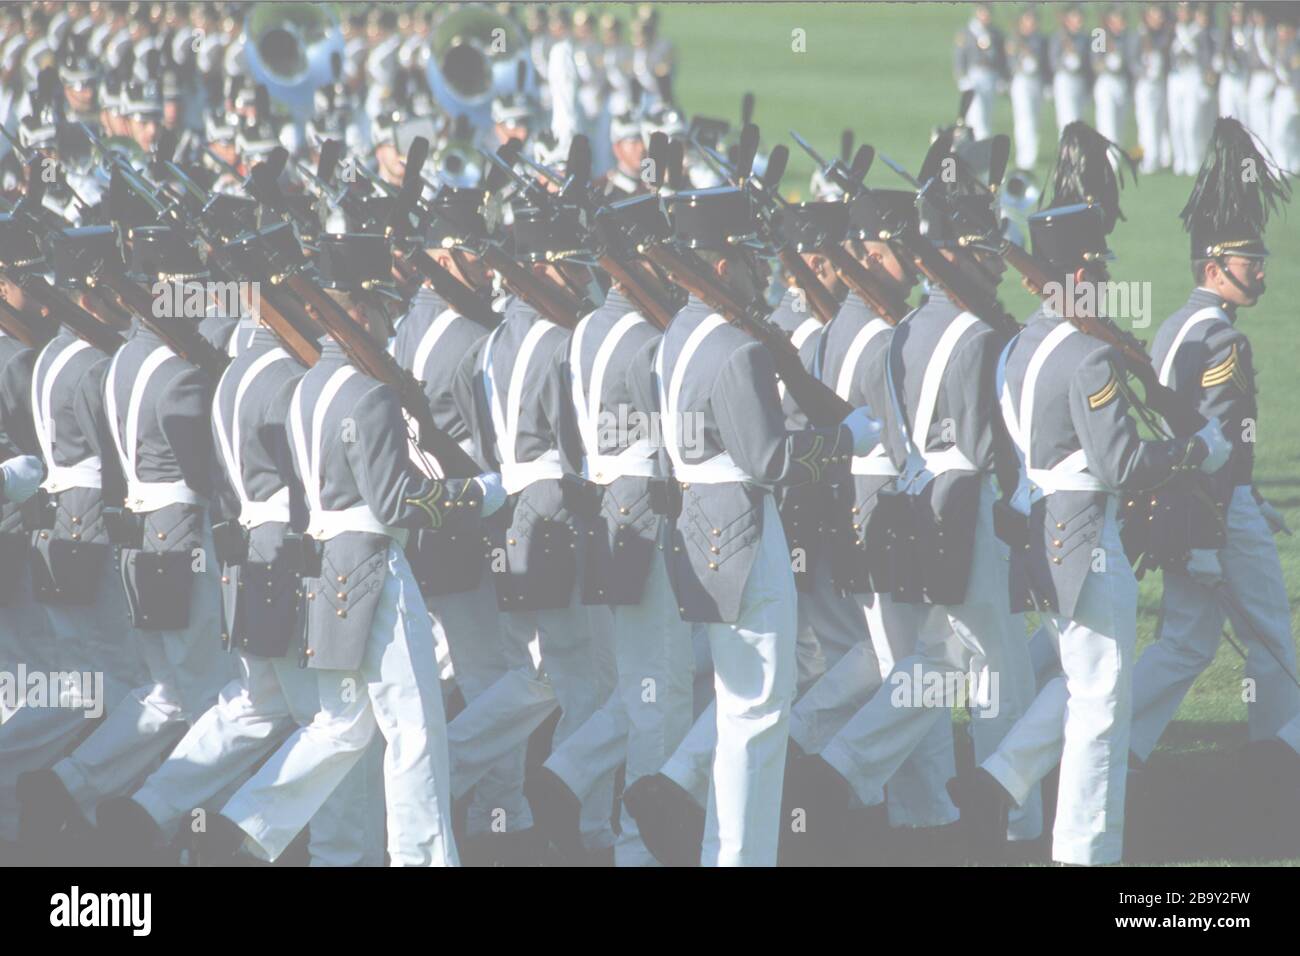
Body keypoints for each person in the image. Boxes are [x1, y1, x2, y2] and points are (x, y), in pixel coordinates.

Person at [959, 200, 1232, 866]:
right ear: (1079, 271)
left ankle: (1003, 777)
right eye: (1099, 267)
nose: (1105, 278)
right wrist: (1196, 452)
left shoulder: (1024, 342)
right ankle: (1085, 850)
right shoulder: (1086, 356)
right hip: (1082, 530)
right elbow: (1124, 466)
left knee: (1083, 679)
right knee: (1104, 698)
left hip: (1039, 523)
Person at [634, 182, 878, 865]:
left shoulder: (678, 334)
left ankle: (728, 851)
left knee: (743, 706)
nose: (760, 272)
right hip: (741, 529)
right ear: (720, 267)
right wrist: (847, 439)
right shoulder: (735, 349)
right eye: (747, 259)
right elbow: (769, 459)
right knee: (757, 717)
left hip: (700, 531)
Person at [1129, 118, 1299, 800]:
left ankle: (1119, 745)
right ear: (1213, 267)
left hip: (1194, 509)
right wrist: (1225, 519)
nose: (1258, 271)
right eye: (1246, 261)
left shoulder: (1176, 325)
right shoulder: (1226, 343)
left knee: (1185, 645)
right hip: (1215, 516)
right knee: (1273, 639)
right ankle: (1277, 757)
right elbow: (1219, 444)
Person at [952, 3, 1008, 142]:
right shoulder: (967, 32)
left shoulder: (995, 33)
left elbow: (1002, 57)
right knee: (977, 114)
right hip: (974, 75)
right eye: (982, 13)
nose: (985, 16)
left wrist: (1003, 78)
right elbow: (959, 57)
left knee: (988, 114)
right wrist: (962, 77)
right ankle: (981, 144)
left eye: (988, 13)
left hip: (990, 75)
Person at [1006, 4, 1050, 171]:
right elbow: (1009, 63)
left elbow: (1046, 63)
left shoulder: (1040, 40)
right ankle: (1025, 158)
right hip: (1021, 80)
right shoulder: (1014, 40)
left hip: (1036, 80)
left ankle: (1031, 154)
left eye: (1033, 21)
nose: (1030, 24)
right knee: (1024, 119)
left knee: (1035, 118)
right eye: (1027, 21)